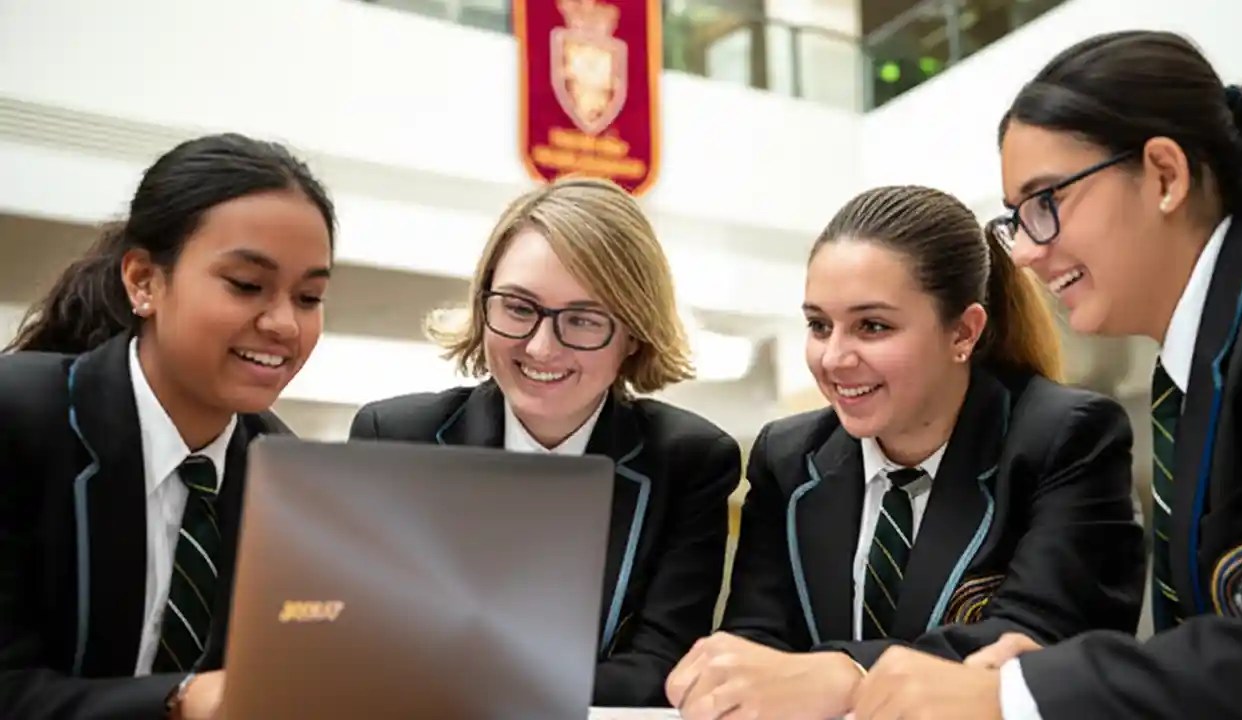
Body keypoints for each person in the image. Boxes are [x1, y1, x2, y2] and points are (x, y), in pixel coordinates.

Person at [848, 30, 1242, 720]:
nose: (1021, 252)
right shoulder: (1212, 346)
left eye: (1046, 202)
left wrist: (1015, 694)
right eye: (1016, 218)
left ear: (1165, 175)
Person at [664, 184, 1146, 720]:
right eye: (819, 325)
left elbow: (1039, 640)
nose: (835, 357)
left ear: (963, 332)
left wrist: (850, 674)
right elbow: (759, 641)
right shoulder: (788, 458)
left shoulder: (1066, 438)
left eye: (873, 326)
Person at [348, 176, 742, 707]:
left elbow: (658, 672)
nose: (540, 346)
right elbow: (363, 646)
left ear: (633, 335)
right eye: (518, 307)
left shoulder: (690, 461)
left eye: (581, 319)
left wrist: (473, 685)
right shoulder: (394, 438)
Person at [0, 133, 336, 720]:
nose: (285, 323)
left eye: (309, 296)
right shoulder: (18, 421)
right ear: (144, 281)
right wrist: (180, 699)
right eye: (247, 285)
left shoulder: (288, 477)